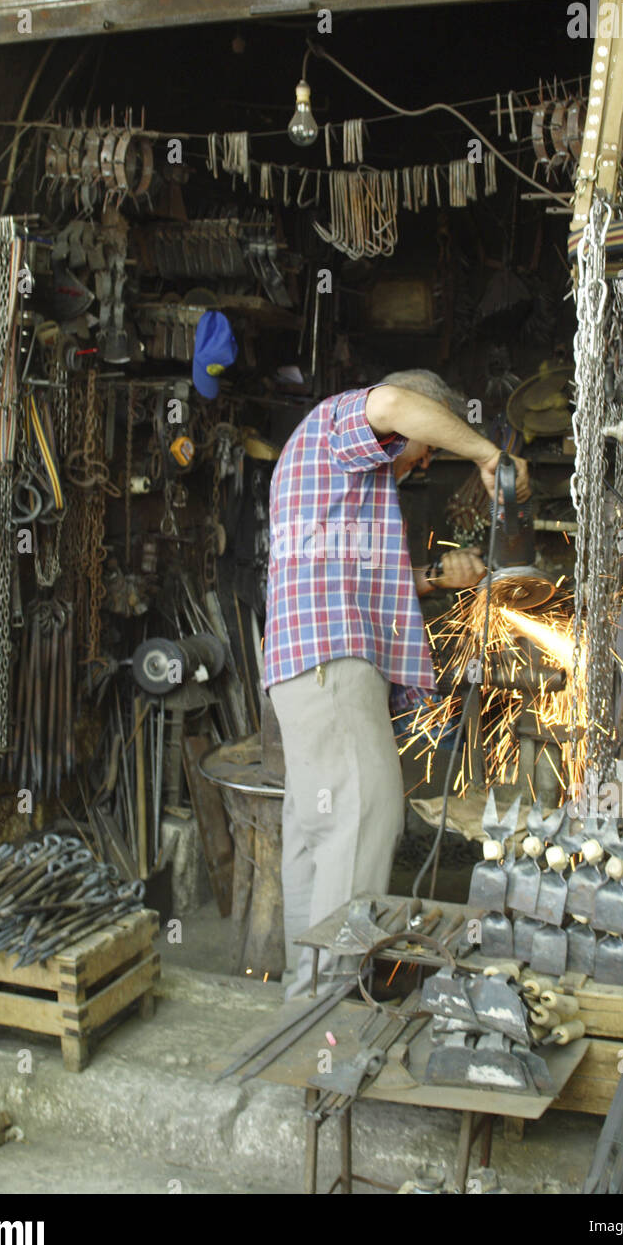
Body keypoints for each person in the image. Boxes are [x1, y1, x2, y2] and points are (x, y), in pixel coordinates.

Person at [263, 370, 530, 998]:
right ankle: (329, 1006)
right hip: (331, 664)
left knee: (319, 832)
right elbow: (390, 402)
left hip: (308, 667)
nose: (426, 458)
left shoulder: (343, 476)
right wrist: (489, 454)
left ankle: (305, 1001)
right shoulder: (339, 423)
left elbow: (354, 577)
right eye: (427, 443)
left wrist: (436, 577)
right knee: (365, 820)